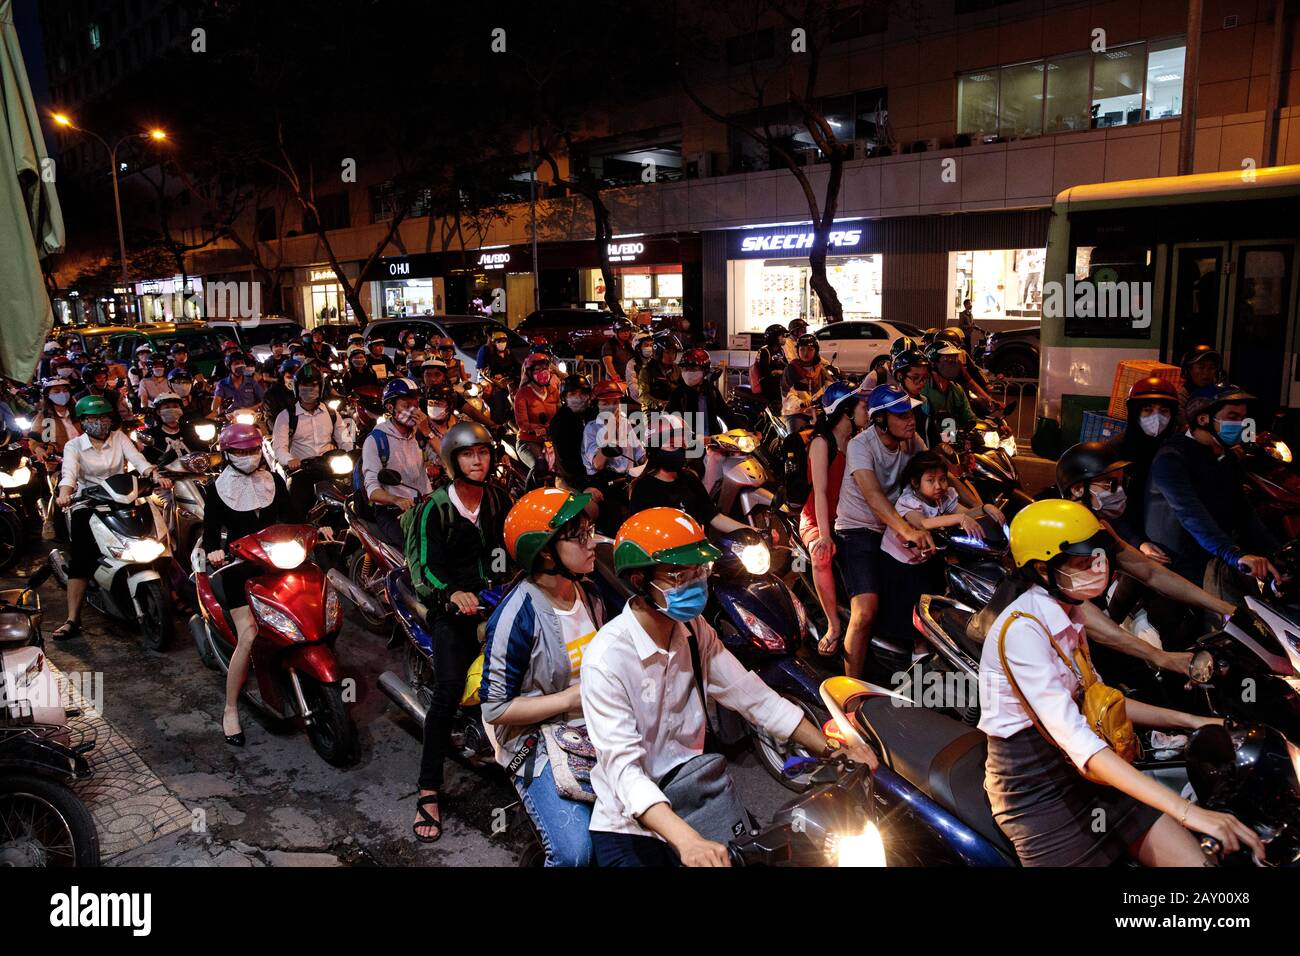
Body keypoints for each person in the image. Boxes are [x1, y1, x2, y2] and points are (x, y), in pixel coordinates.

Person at [581, 507, 878, 866]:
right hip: (631, 822)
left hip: (695, 793)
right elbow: (625, 772)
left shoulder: (693, 630)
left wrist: (833, 750)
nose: (694, 583)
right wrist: (688, 843)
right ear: (641, 581)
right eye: (680, 575)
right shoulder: (606, 659)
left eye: (698, 572)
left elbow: (753, 697)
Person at [977, 499, 1264, 867]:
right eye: (1084, 563)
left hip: (1096, 769)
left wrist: (1196, 723)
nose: (1099, 568)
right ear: (1041, 569)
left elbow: (1103, 701)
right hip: (1037, 790)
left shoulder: (1070, 614)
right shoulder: (1022, 632)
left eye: (1098, 557)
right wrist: (1188, 813)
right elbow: (1080, 744)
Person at [479, 487, 606, 866]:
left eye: (590, 530)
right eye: (579, 536)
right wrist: (570, 699)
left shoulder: (591, 593)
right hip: (535, 742)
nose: (592, 543)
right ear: (546, 552)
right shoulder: (517, 614)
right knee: (575, 853)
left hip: (595, 727)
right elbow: (495, 708)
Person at [406, 421, 510, 843]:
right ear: (453, 461)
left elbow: (509, 548)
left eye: (483, 453)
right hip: (450, 609)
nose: (478, 461)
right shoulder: (434, 507)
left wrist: (509, 581)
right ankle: (428, 788)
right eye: (469, 454)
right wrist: (452, 594)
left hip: (497, 600)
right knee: (448, 690)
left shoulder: (499, 499)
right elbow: (422, 568)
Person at [1050, 441, 1230, 672]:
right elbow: (1080, 610)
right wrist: (1159, 656)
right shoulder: (1061, 533)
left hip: (1088, 634)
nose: (1119, 491)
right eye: (1109, 484)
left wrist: (1225, 607)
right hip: (1058, 646)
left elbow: (1150, 572)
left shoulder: (1099, 527)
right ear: (1077, 489)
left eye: (1122, 482)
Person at [1145, 384, 1279, 603]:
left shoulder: (1227, 458)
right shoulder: (1172, 458)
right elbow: (1191, 514)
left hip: (1212, 560)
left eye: (1243, 418)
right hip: (1176, 566)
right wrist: (1234, 554)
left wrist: (1276, 551)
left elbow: (1243, 511)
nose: (1240, 424)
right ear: (1203, 419)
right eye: (1232, 417)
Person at [834, 385, 933, 678]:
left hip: (895, 526)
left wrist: (978, 507)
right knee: (865, 611)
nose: (910, 421)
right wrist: (906, 530)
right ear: (880, 420)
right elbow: (874, 496)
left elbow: (936, 473)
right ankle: (850, 689)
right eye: (900, 415)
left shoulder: (912, 441)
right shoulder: (860, 446)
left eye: (911, 413)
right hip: (858, 529)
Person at [53, 396, 172, 640]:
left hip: (124, 498)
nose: (100, 422)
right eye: (93, 418)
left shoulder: (119, 437)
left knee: (159, 538)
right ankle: (72, 619)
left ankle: (177, 594)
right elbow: (69, 473)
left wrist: (154, 474)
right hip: (88, 502)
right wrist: (65, 493)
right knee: (82, 558)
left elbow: (139, 461)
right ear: (83, 421)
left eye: (104, 417)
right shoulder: (74, 446)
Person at [202, 424, 291, 745]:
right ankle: (229, 709)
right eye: (240, 452)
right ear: (226, 454)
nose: (248, 457)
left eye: (252, 450)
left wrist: (314, 531)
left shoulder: (275, 480)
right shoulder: (217, 489)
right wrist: (214, 550)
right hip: (238, 568)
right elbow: (211, 532)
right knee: (249, 634)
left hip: (277, 563)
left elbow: (293, 519)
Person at [880, 451, 996, 645]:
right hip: (901, 563)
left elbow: (966, 512)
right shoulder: (908, 502)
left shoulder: (944, 496)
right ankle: (917, 654)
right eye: (931, 480)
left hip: (926, 557)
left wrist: (986, 508)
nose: (938, 486)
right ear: (916, 483)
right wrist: (960, 518)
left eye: (942, 479)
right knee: (916, 609)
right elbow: (923, 523)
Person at [800, 382, 868, 656]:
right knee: (821, 556)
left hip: (847, 517)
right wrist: (825, 535)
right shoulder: (821, 442)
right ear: (846, 412)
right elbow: (821, 493)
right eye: (862, 407)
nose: (867, 411)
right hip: (817, 518)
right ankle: (833, 625)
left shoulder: (857, 442)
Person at [629, 414, 752, 535]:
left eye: (682, 445)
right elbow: (643, 534)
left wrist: (753, 531)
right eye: (672, 446)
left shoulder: (689, 479)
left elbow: (715, 518)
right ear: (655, 450)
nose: (680, 451)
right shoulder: (643, 488)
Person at [272, 364, 353, 520]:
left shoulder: (331, 413)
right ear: (297, 387)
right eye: (304, 385)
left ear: (321, 387)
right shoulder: (286, 416)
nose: (309, 389)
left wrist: (351, 453)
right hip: (303, 471)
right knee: (296, 514)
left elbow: (344, 439)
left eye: (314, 385)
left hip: (331, 468)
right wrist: (290, 460)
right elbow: (279, 448)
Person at [362, 378, 432, 546]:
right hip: (391, 510)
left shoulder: (421, 434)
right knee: (416, 547)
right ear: (390, 407)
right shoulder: (376, 439)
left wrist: (428, 433)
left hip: (424, 505)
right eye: (406, 406)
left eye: (415, 405)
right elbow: (372, 491)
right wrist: (396, 499)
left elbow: (446, 460)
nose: (413, 411)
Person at [1111, 376, 1180, 540]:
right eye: (1148, 410)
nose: (1156, 419)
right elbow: (1110, 508)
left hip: (1165, 532)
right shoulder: (1116, 451)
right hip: (1128, 537)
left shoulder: (1176, 449)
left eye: (1164, 411)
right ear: (1135, 412)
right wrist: (1138, 543)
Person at [582, 382, 647, 535]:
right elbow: (598, 463)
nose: (611, 407)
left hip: (630, 481)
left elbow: (640, 453)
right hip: (606, 484)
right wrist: (611, 429)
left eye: (615, 402)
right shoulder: (591, 429)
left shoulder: (626, 424)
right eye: (605, 403)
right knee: (617, 523)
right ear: (596, 404)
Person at [28, 378, 81, 542]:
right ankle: (54, 525)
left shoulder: (79, 412)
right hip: (60, 462)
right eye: (56, 392)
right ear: (47, 395)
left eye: (64, 390)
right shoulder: (46, 417)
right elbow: (36, 440)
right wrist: (40, 450)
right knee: (61, 495)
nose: (62, 395)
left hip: (88, 459)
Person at [919, 340, 977, 448]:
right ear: (933, 362)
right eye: (947, 358)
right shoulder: (922, 390)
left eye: (955, 358)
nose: (953, 362)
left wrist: (992, 425)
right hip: (929, 447)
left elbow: (969, 419)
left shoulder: (957, 389)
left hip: (953, 445)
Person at [514, 352, 560, 474]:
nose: (543, 372)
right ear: (529, 373)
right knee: (539, 468)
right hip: (528, 441)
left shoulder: (553, 391)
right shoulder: (522, 394)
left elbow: (561, 415)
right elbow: (522, 424)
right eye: (538, 369)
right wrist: (539, 429)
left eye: (545, 368)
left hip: (551, 440)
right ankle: (528, 492)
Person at [550, 373, 597, 489]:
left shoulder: (593, 415)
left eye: (583, 393)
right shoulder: (560, 422)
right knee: (592, 507)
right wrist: (584, 487)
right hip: (572, 481)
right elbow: (566, 462)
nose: (578, 397)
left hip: (595, 476)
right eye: (573, 394)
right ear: (564, 397)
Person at [666, 347, 726, 437]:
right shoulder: (678, 394)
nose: (688, 373)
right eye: (685, 369)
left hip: (713, 441)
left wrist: (744, 431)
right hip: (688, 444)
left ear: (704, 370)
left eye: (693, 369)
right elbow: (671, 422)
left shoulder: (711, 391)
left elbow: (726, 413)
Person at [1176, 345, 1222, 428]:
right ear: (1189, 369)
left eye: (1211, 367)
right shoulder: (1182, 397)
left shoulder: (1221, 394)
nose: (1206, 372)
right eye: (1201, 367)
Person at [211, 351, 265, 417]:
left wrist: (249, 409)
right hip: (230, 419)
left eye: (242, 362)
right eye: (237, 363)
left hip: (250, 418)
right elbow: (217, 400)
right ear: (229, 367)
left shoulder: (252, 382)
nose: (240, 365)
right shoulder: (222, 384)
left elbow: (263, 401)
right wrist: (214, 413)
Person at [637, 334, 682, 413]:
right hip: (652, 411)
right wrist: (659, 403)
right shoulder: (647, 370)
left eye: (673, 352)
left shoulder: (678, 369)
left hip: (674, 409)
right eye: (667, 352)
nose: (671, 356)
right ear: (659, 352)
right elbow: (643, 395)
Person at [750, 324, 788, 409]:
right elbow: (763, 371)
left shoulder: (780, 350)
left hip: (779, 380)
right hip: (768, 382)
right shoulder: (765, 351)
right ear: (774, 337)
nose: (784, 338)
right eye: (782, 336)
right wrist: (776, 372)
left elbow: (786, 364)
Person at [601, 318, 636, 389]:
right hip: (614, 383)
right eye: (623, 331)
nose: (626, 333)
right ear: (616, 331)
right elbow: (608, 365)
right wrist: (616, 378)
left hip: (629, 380)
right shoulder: (609, 345)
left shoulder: (629, 345)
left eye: (628, 331)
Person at [625, 331, 654, 405]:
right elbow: (633, 386)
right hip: (639, 403)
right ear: (638, 348)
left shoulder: (655, 362)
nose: (649, 348)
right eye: (646, 345)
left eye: (651, 345)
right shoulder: (632, 364)